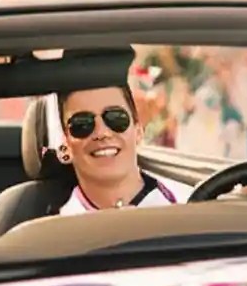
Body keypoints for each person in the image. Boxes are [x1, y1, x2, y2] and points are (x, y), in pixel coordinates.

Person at [54, 84, 192, 214]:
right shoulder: (54, 234)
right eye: (82, 124)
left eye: (116, 118)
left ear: (138, 131)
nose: (102, 133)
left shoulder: (189, 207)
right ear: (65, 144)